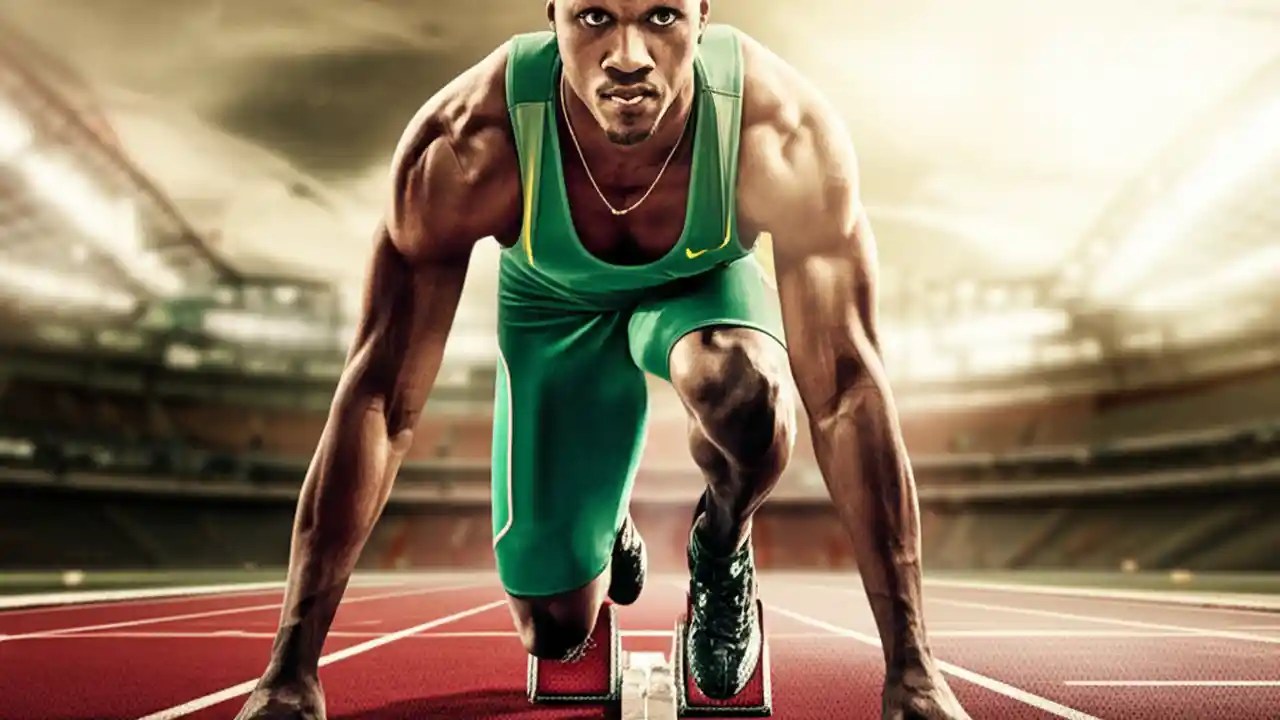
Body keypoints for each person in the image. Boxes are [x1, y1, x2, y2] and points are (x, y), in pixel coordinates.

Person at [236, 2, 969, 719]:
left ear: (702, 15)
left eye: (659, 18)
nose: (628, 54)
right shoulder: (468, 144)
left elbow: (846, 398)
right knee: (555, 632)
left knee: (747, 396)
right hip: (553, 309)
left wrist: (912, 665)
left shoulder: (779, 134)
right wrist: (291, 668)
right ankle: (601, 511)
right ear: (551, 16)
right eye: (595, 18)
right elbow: (380, 400)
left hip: (700, 285)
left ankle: (722, 544)